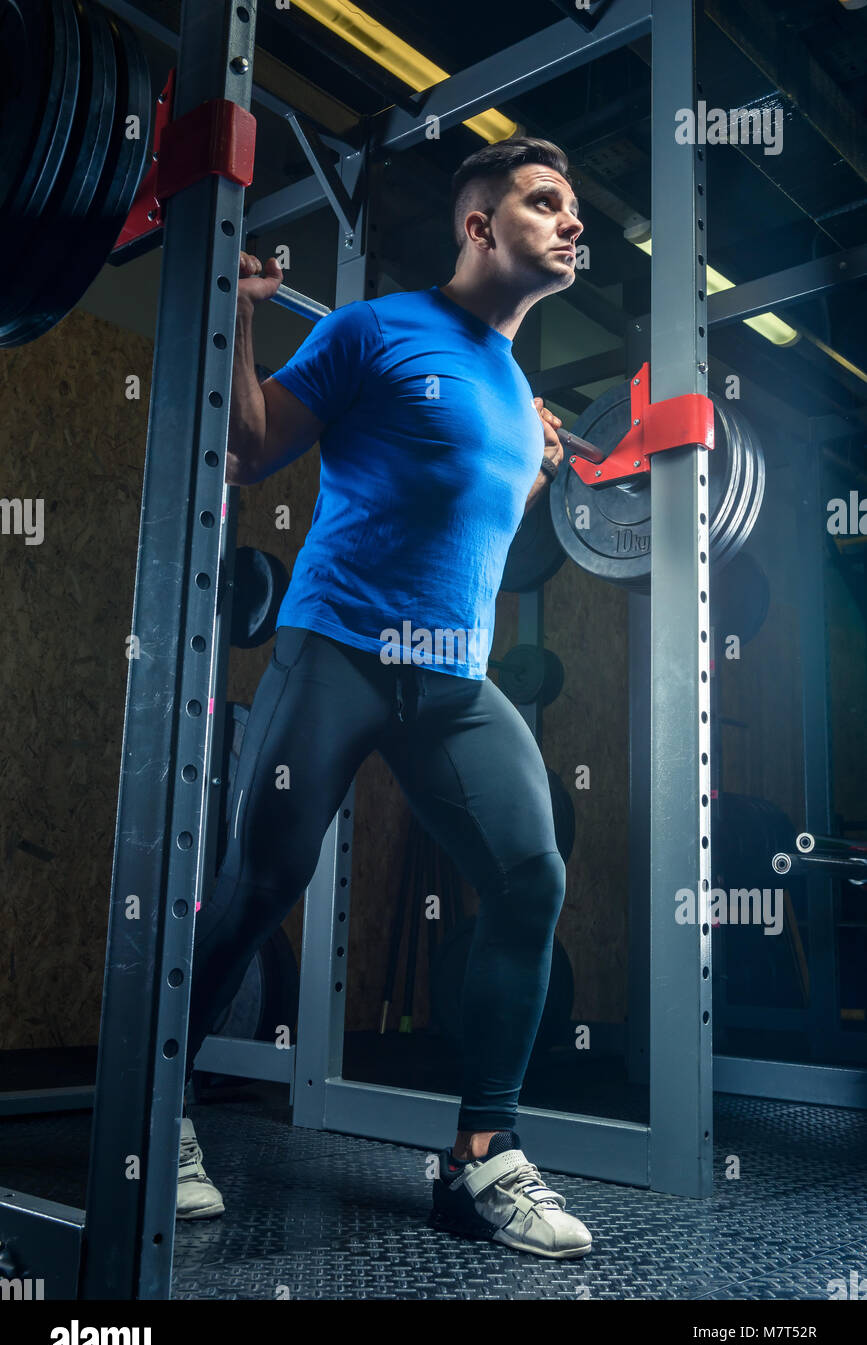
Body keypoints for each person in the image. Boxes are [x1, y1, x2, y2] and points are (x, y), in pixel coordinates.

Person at [177, 135, 592, 1259]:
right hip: (340, 648)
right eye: (544, 202)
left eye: (574, 209)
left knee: (530, 874)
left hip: (453, 680)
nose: (571, 221)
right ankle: (158, 1111)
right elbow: (253, 449)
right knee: (260, 880)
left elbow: (471, 496)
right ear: (477, 226)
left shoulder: (518, 394)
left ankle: (481, 1158)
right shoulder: (369, 328)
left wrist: (540, 457)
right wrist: (244, 314)